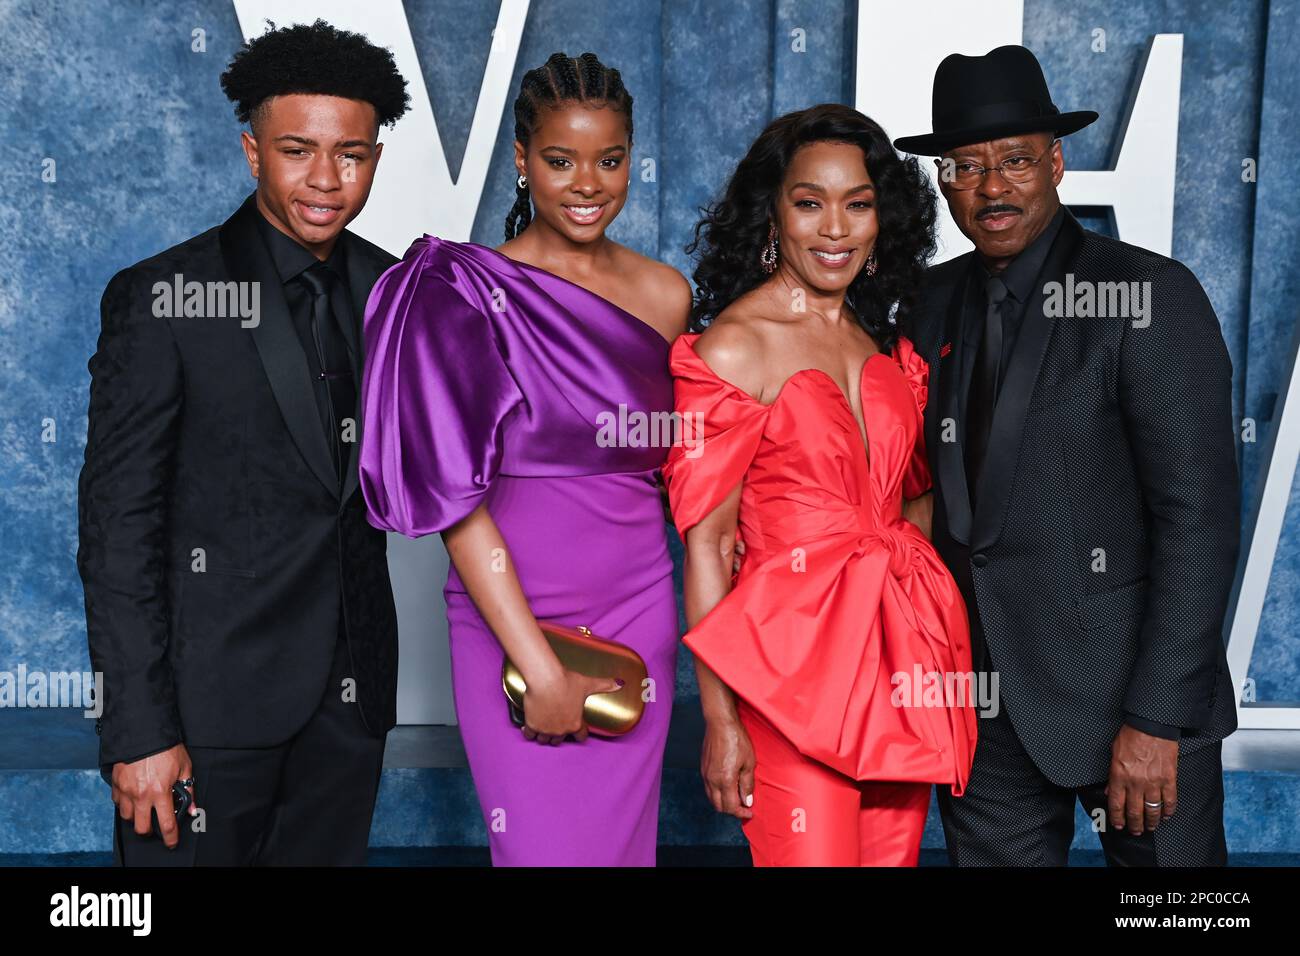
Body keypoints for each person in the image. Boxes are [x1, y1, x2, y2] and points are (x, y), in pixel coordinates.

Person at [893, 44, 1239, 866]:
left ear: (1055, 162)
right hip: (980, 706)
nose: (992, 187)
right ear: (943, 180)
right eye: (966, 167)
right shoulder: (929, 301)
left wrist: (1158, 719)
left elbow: (1199, 519)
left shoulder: (1146, 295)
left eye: (1014, 161)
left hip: (1131, 698)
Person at [77, 20, 409, 865]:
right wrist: (139, 731)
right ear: (251, 150)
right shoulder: (164, 297)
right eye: (298, 150)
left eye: (354, 154)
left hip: (350, 711)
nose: (327, 180)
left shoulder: (396, 292)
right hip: (201, 715)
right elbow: (118, 532)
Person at [358, 52, 691, 866]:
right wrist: (534, 660)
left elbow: (674, 468)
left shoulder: (667, 293)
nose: (588, 183)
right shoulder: (461, 289)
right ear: (520, 159)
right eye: (560, 159)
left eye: (609, 160)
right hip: (509, 616)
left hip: (639, 606)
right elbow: (453, 503)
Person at [662, 104, 978, 867]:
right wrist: (721, 719)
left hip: (897, 664)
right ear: (774, 212)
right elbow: (705, 545)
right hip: (788, 675)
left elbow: (912, 501)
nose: (834, 229)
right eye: (810, 203)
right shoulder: (735, 347)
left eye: (857, 204)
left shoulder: (884, 345)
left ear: (882, 220)